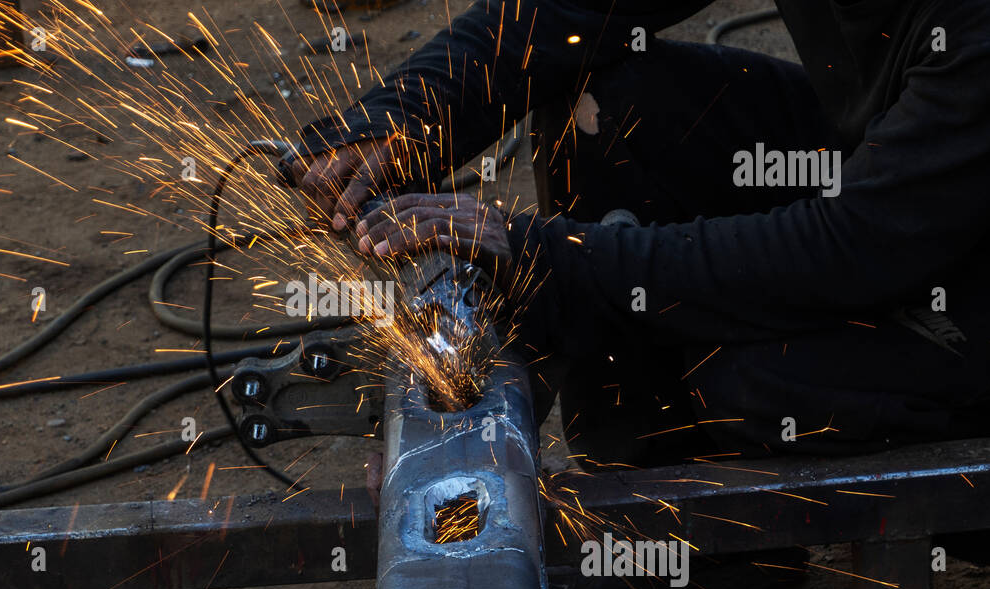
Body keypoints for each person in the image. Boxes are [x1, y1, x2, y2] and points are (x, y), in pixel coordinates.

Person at [288, 0, 990, 470]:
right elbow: (570, 10)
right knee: (611, 108)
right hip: (911, 175)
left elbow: (852, 249)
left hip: (946, 272)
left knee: (738, 372)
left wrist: (550, 258)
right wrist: (402, 117)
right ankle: (646, 519)